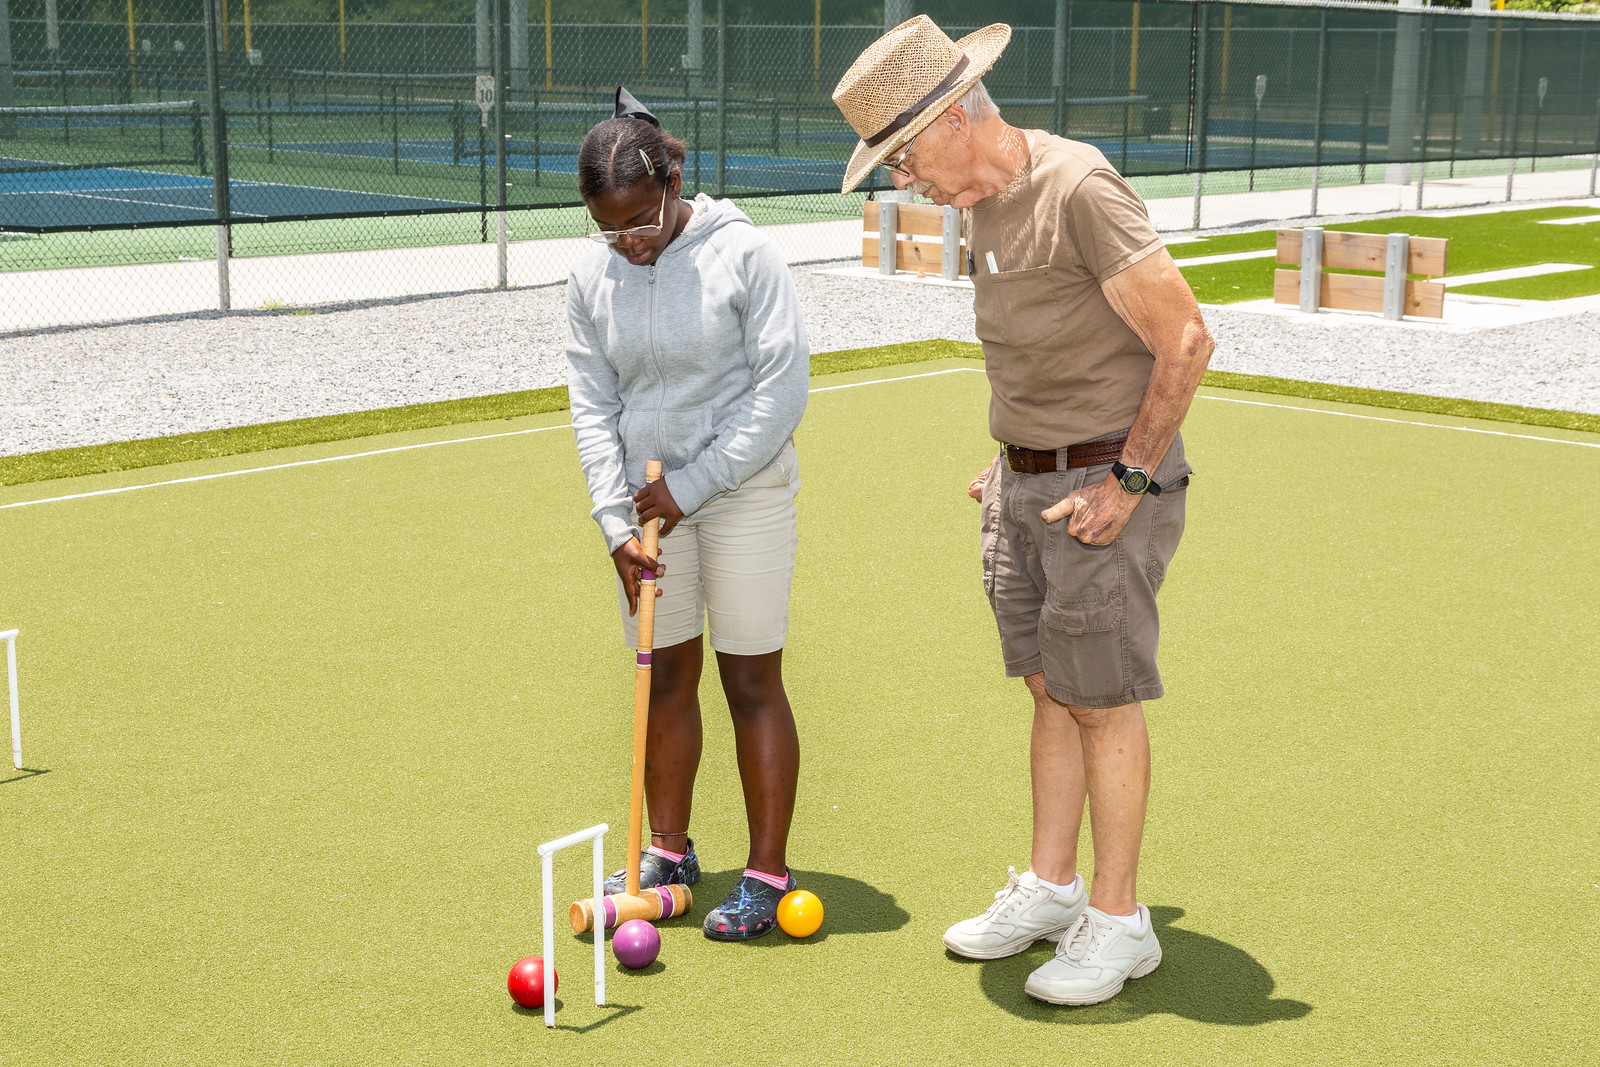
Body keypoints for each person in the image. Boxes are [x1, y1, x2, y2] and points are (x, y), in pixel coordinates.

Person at [833, 19, 1214, 1003]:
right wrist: (1011, 464)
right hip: (1026, 485)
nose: (904, 178)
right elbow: (1052, 351)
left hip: (1103, 493)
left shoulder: (1076, 187)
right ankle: (1051, 888)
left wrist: (1124, 481)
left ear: (957, 116)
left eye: (905, 154)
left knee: (1101, 697)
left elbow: (1185, 339)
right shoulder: (986, 203)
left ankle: (1121, 923)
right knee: (1050, 688)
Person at [565, 88, 811, 940]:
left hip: (742, 492)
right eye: (610, 230)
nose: (628, 245)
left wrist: (694, 484)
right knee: (665, 676)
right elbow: (592, 403)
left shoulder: (747, 256)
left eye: (639, 221)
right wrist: (615, 525)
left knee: (749, 678)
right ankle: (667, 853)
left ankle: (767, 873)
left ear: (673, 180)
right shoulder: (592, 273)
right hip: (647, 509)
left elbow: (781, 393)